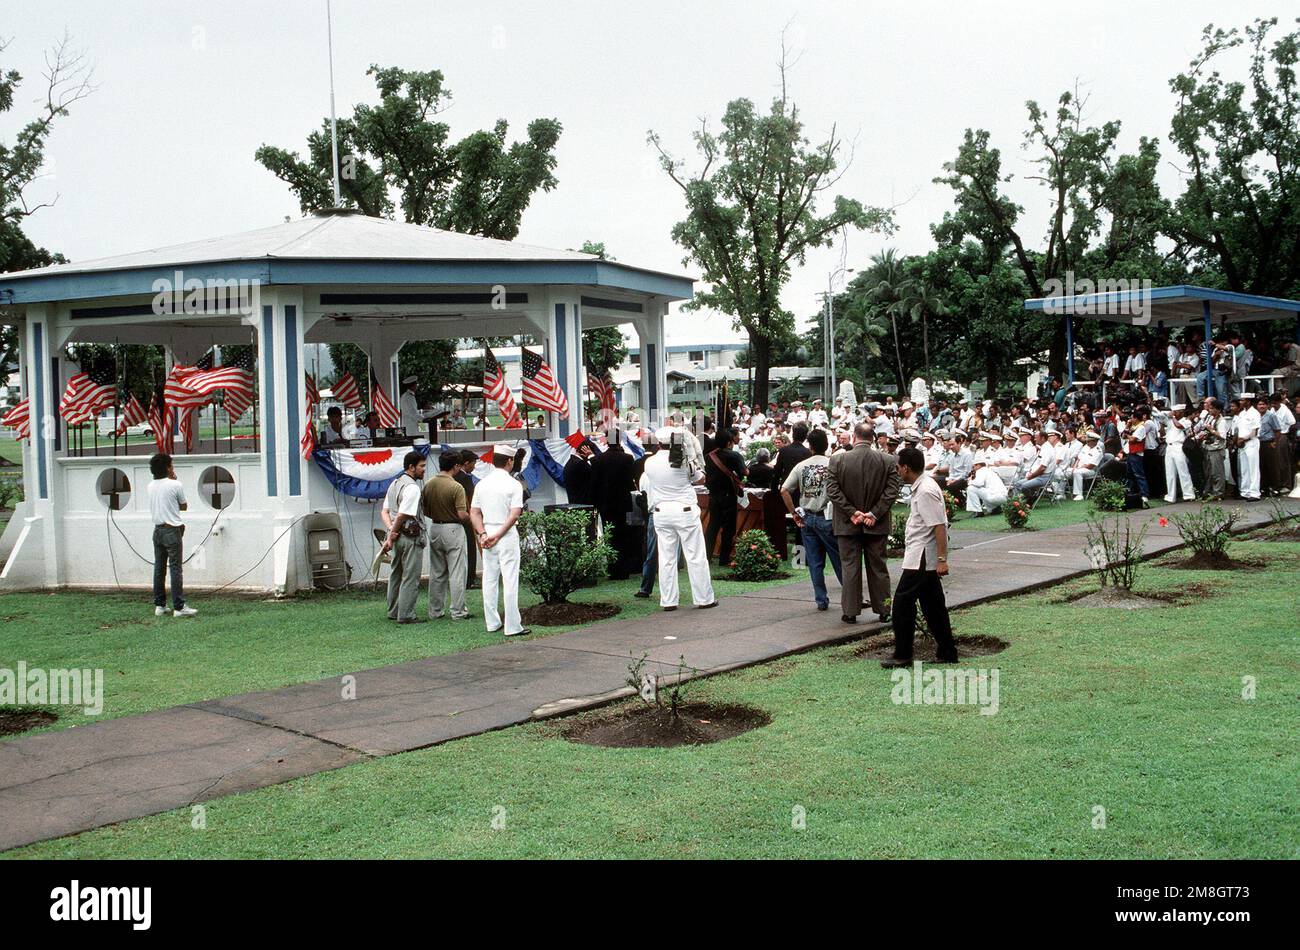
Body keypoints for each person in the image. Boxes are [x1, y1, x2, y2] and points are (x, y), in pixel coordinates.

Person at [882, 446, 959, 668]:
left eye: (898, 466)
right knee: (933, 607)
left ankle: (903, 654)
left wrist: (942, 560)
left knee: (902, 606)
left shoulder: (925, 490)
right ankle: (947, 651)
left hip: (922, 557)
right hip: (921, 555)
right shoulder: (923, 486)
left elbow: (939, 527)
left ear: (906, 468)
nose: (896, 470)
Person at [826, 421, 900, 624]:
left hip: (848, 523)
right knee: (878, 567)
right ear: (873, 438)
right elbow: (892, 490)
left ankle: (850, 612)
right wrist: (874, 514)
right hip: (875, 523)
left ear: (853, 437)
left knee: (849, 567)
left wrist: (852, 512)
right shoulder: (887, 460)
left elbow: (832, 490)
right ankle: (884, 610)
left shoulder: (838, 460)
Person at [640, 426, 716, 611]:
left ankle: (668, 600)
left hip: (661, 512)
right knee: (695, 556)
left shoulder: (649, 462)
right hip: (684, 511)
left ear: (659, 443)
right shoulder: (683, 461)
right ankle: (704, 598)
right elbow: (700, 479)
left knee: (666, 558)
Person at [470, 444, 529, 636]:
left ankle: (492, 622)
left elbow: (475, 513)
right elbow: (514, 515)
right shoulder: (513, 484)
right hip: (505, 533)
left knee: (490, 579)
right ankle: (512, 626)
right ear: (510, 461)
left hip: (488, 532)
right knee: (510, 579)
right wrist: (495, 535)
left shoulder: (481, 483)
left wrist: (483, 534)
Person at [780, 428, 841, 611]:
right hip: (827, 516)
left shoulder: (801, 466)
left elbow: (784, 490)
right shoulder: (833, 464)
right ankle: (851, 596)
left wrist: (794, 513)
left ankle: (821, 600)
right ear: (827, 445)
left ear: (810, 446)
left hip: (807, 517)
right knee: (839, 558)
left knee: (815, 562)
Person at [422, 451, 471, 620]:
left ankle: (435, 610)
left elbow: (425, 510)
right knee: (457, 572)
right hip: (453, 528)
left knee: (436, 572)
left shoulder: (429, 483)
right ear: (456, 466)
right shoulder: (456, 487)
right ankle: (458, 611)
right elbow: (462, 514)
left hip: (435, 526)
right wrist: (472, 519)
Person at [380, 450, 427, 624]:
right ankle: (406, 614)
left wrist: (391, 532)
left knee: (396, 573)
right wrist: (391, 535)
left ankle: (393, 611)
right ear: (411, 467)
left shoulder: (394, 483)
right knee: (410, 576)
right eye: (421, 466)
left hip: (397, 535)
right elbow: (402, 515)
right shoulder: (412, 488)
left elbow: (385, 511)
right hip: (409, 536)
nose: (424, 469)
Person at [148, 453, 197, 618]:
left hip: (157, 530)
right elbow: (184, 506)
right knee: (175, 568)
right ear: (168, 468)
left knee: (159, 568)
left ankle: (160, 605)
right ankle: (179, 606)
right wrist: (175, 479)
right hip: (172, 530)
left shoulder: (150, 485)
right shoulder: (175, 484)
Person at [591, 434, 640, 578]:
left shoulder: (598, 460)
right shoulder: (627, 459)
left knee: (610, 535)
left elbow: (595, 484)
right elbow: (630, 482)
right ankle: (624, 568)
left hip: (606, 503)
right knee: (623, 535)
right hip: (622, 502)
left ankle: (613, 568)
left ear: (607, 441)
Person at [703, 426, 747, 566]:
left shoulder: (708, 457)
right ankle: (724, 558)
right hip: (728, 495)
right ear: (729, 442)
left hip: (713, 495)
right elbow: (745, 473)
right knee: (728, 528)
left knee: (712, 526)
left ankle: (706, 557)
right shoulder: (735, 456)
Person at [455, 450, 479, 589]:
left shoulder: (453, 476)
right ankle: (470, 578)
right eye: (473, 463)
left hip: (454, 518)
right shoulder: (464, 478)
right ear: (466, 463)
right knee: (470, 547)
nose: (474, 466)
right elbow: (471, 498)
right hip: (466, 516)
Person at [1162, 404, 1196, 502]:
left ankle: (1189, 494)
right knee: (1170, 472)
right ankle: (1170, 496)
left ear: (1181, 412)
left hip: (1179, 447)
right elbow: (1158, 415)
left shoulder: (1186, 421)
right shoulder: (1170, 421)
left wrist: (1172, 417)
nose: (1174, 413)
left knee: (1183, 471)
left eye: (1176, 412)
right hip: (1169, 446)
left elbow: (1179, 426)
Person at [563, 440, 596, 506]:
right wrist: (592, 457)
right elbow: (598, 473)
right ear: (585, 452)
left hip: (575, 502)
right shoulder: (580, 464)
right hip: (584, 504)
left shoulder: (570, 462)